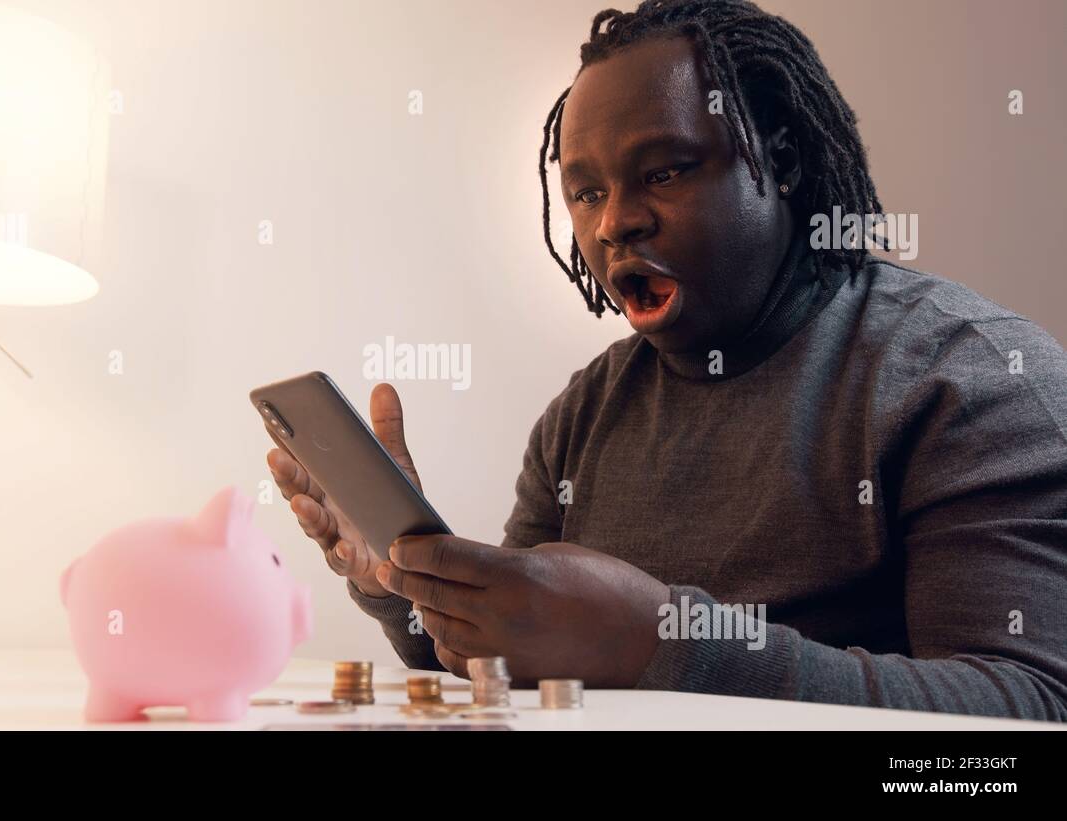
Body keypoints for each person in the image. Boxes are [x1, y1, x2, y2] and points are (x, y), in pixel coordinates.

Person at [265, 0, 1067, 719]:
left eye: (664, 171)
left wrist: (660, 641)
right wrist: (400, 581)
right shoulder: (584, 414)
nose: (614, 222)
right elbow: (511, 658)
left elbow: (1024, 708)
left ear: (783, 164)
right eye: (585, 192)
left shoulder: (968, 377)